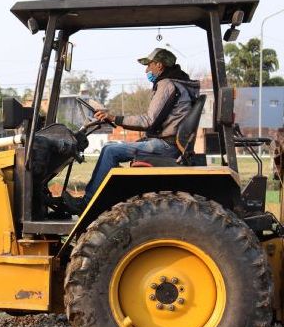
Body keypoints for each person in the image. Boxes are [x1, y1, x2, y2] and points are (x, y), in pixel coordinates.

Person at [64, 48, 200, 214]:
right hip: (170, 143)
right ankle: (107, 201)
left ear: (159, 65)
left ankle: (87, 203)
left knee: (110, 151)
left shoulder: (167, 85)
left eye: (149, 65)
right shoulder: (180, 84)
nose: (146, 70)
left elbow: (148, 121)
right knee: (113, 149)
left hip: (166, 145)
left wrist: (115, 118)